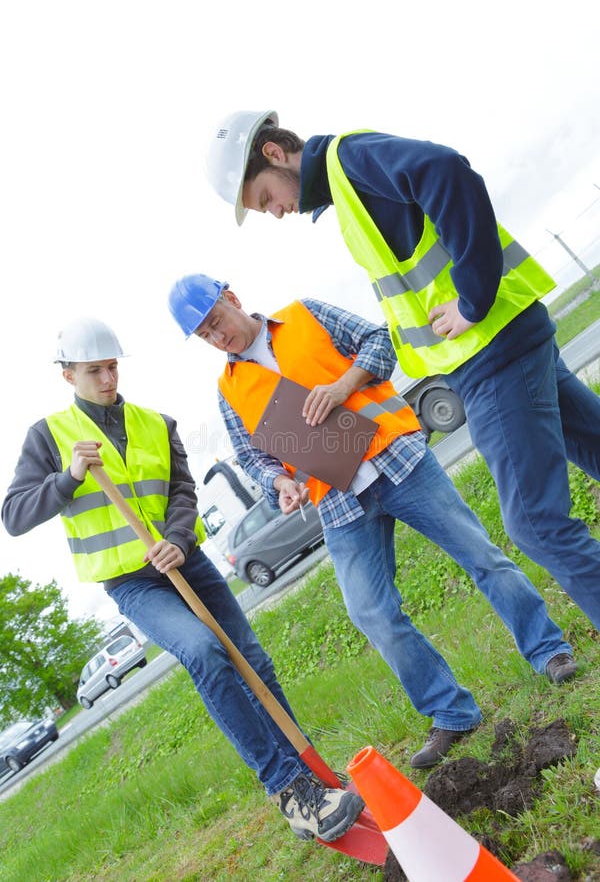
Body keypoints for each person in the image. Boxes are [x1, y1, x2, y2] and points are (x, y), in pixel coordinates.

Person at [206, 110, 600, 634]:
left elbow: (448, 171)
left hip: (490, 353)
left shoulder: (350, 159)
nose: (276, 213)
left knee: (534, 525)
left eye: (265, 199)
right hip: (500, 344)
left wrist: (473, 299)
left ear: (274, 155)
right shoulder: (345, 188)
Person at [167, 274, 578, 769]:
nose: (217, 338)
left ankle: (548, 651)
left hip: (396, 460)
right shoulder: (229, 390)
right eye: (205, 336)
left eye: (216, 322)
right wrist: (279, 482)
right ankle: (451, 712)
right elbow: (253, 457)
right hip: (338, 501)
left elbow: (381, 340)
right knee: (370, 612)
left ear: (231, 299)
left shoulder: (304, 314)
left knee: (481, 556)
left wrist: (343, 385)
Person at [1, 316, 365, 843]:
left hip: (185, 562)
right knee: (203, 651)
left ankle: (311, 772)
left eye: (111, 367)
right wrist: (68, 478)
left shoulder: (156, 423)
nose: (107, 378)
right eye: (93, 371)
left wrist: (178, 538)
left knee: (254, 661)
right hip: (134, 584)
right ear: (68, 376)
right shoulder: (49, 437)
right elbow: (14, 515)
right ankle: (288, 788)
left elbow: (183, 492)